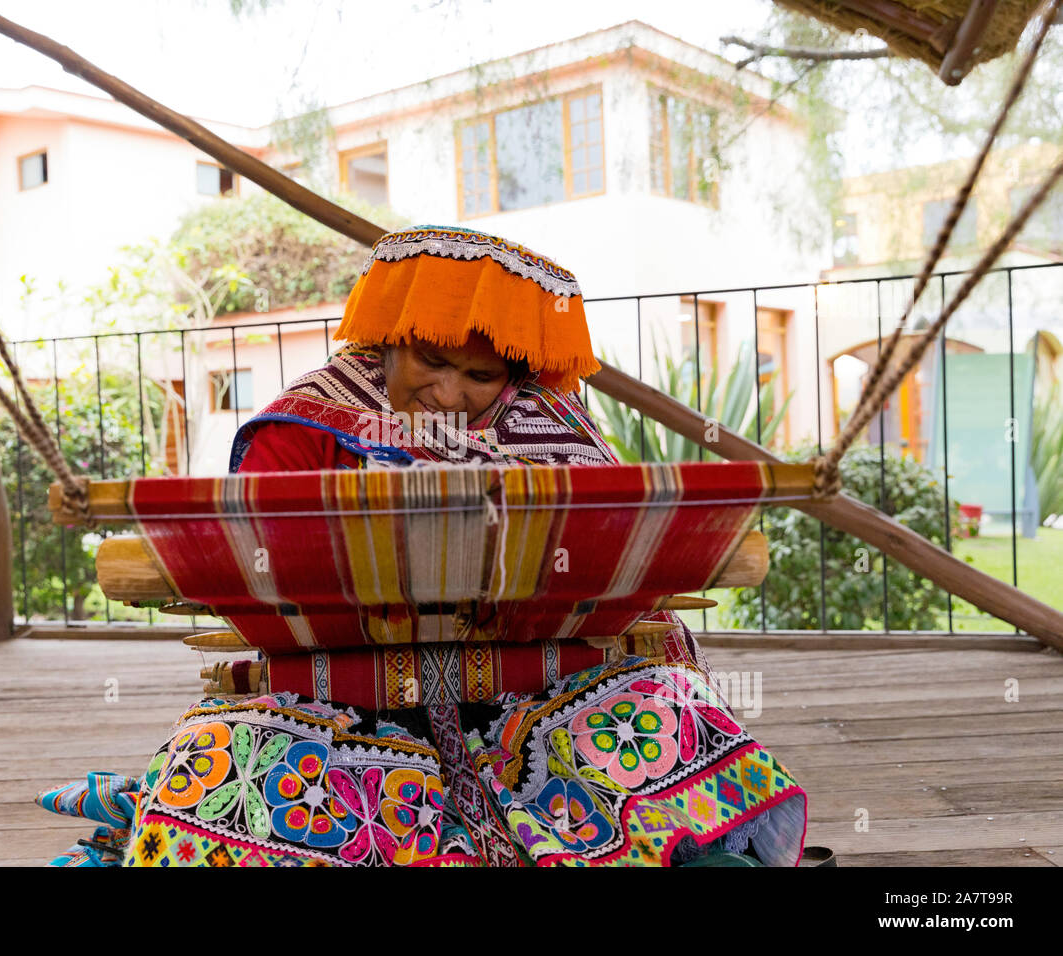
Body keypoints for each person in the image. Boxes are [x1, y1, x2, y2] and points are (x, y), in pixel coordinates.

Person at [39, 225, 808, 867]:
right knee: (224, 770)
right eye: (430, 361)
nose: (448, 393)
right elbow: (257, 566)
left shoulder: (549, 429)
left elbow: (621, 567)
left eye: (478, 375)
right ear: (387, 344)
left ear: (511, 374)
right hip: (337, 690)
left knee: (663, 710)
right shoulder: (305, 429)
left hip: (534, 683)